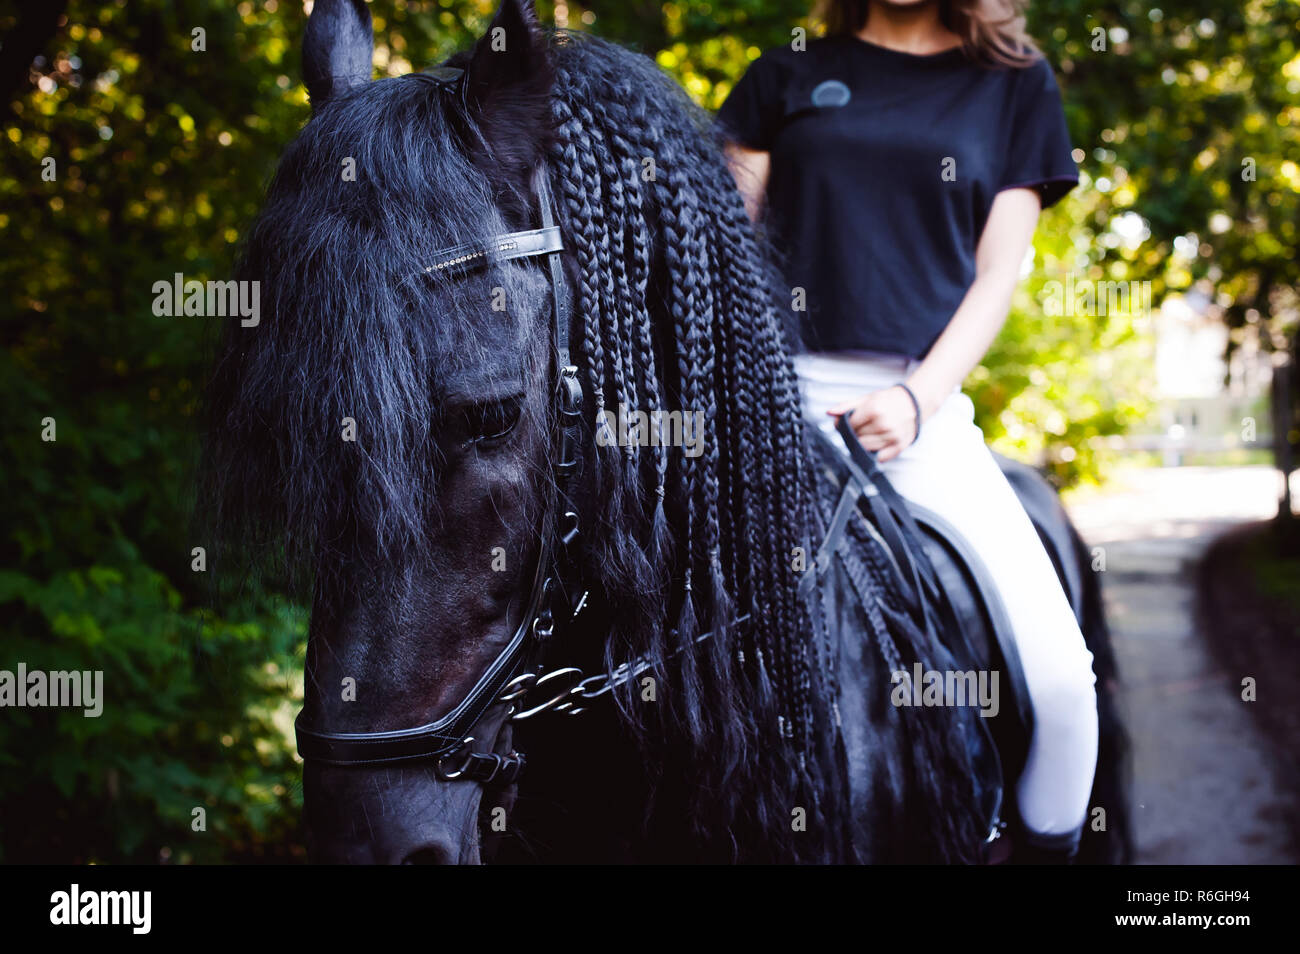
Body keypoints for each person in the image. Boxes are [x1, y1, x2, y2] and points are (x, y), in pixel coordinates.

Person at [717, 0, 1098, 862]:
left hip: (920, 413)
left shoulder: (1014, 85)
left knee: (1065, 685)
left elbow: (1000, 274)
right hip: (771, 404)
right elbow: (722, 249)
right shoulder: (785, 74)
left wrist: (921, 396)